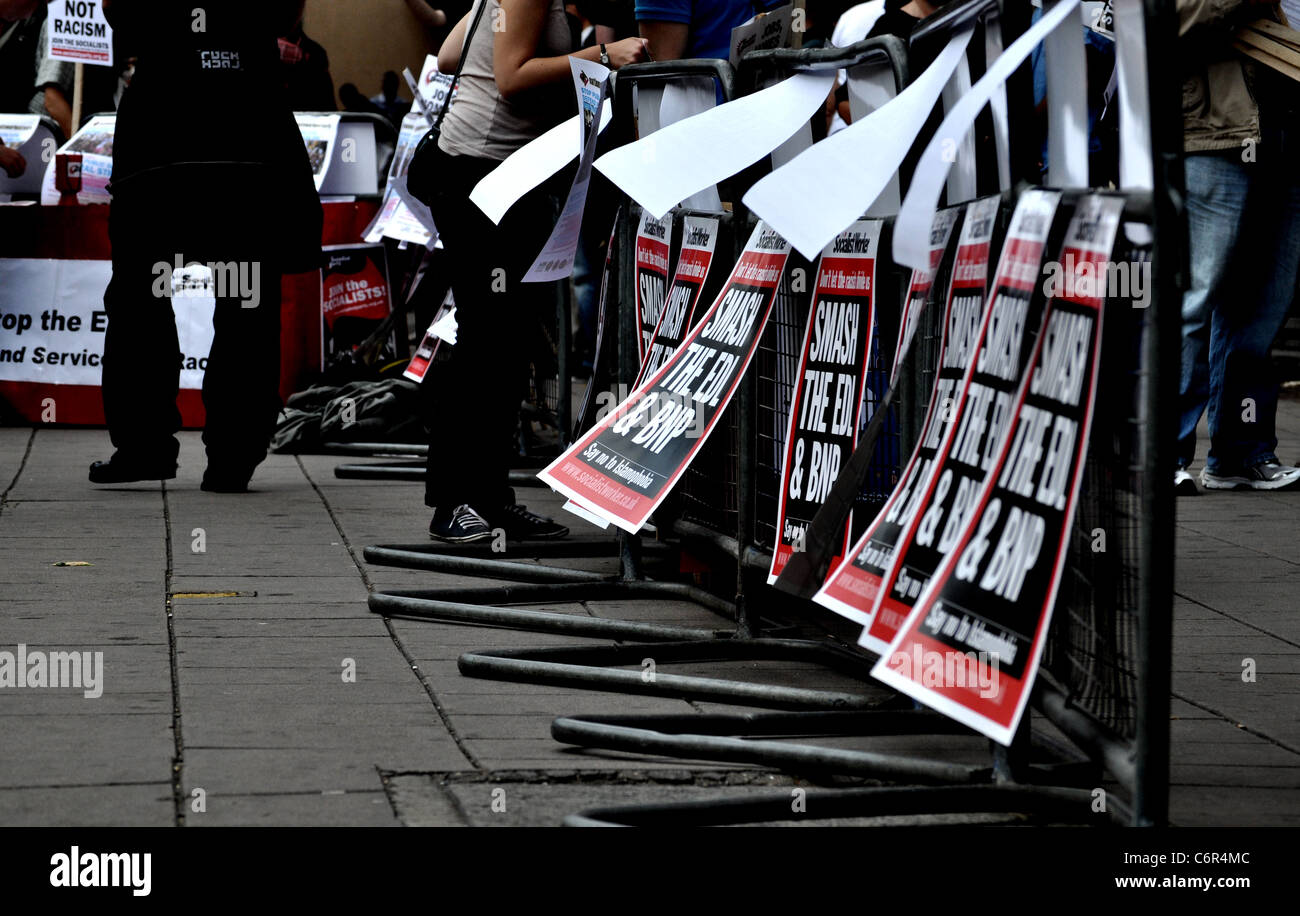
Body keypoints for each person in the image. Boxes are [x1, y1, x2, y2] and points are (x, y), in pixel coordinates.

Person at [417, 0, 647, 542]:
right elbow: (511, 76)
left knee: (505, 343)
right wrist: (604, 55)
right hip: (484, 176)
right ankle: (453, 503)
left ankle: (491, 500)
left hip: (491, 175)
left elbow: (451, 55)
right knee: (486, 342)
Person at [89, 0, 322, 492]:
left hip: (162, 142)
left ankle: (145, 444)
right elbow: (287, 12)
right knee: (244, 301)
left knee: (140, 296)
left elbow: (118, 12)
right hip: (247, 138)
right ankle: (234, 454)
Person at [1175, 0, 1300, 492]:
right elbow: (1161, 23)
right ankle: (1165, 452)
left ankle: (1239, 453)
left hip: (1287, 135)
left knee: (1262, 307)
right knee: (1192, 298)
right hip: (1215, 135)